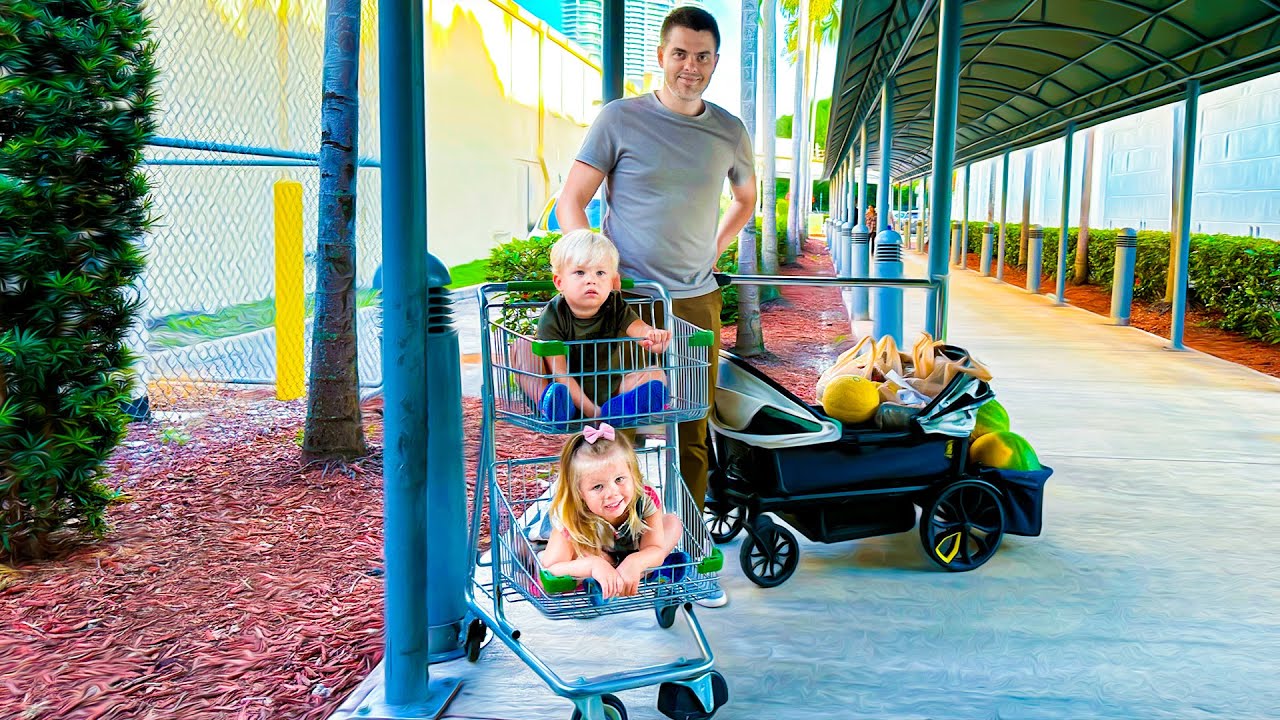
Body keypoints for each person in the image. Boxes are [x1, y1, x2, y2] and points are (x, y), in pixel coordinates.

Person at [554, 6, 755, 607]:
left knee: (692, 433)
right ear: (661, 57)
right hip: (624, 305)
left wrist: (711, 252)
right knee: (610, 431)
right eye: (680, 54)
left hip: (695, 301)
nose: (690, 67)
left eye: (703, 57)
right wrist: (594, 272)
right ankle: (606, 553)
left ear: (715, 63)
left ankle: (689, 559)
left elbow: (744, 199)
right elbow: (572, 203)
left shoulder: (729, 130)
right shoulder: (620, 119)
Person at [511, 229, 673, 423]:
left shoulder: (615, 305)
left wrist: (653, 337)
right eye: (580, 272)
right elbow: (560, 373)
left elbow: (639, 329)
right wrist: (594, 414)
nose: (591, 279)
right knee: (522, 346)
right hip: (564, 393)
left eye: (600, 273)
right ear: (559, 282)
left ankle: (619, 409)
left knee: (655, 373)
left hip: (609, 390)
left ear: (612, 281)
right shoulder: (554, 314)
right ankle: (548, 404)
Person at [538, 422, 687, 600]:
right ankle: (634, 575)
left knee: (672, 523)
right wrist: (594, 565)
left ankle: (626, 576)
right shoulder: (571, 512)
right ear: (580, 493)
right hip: (594, 549)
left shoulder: (645, 496)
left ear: (634, 475)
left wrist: (636, 562)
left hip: (631, 548)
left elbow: (654, 547)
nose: (612, 493)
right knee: (582, 564)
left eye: (619, 479)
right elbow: (550, 568)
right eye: (598, 486)